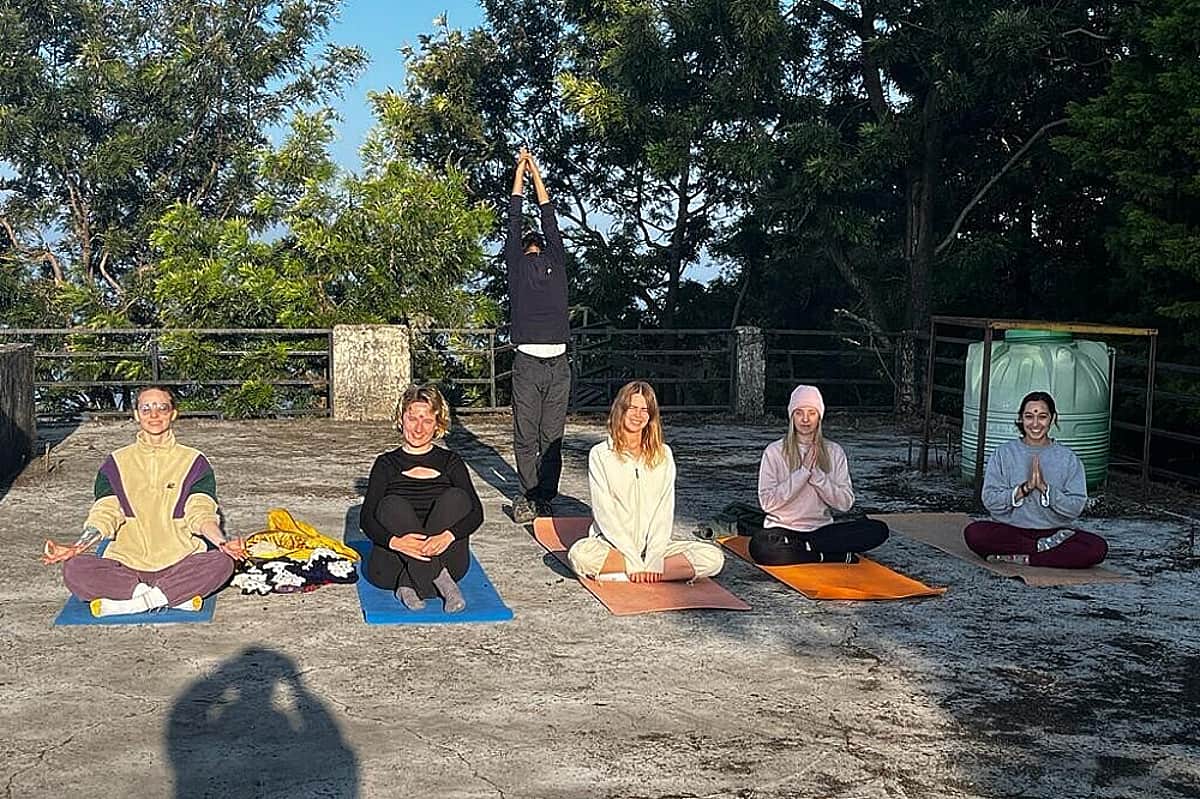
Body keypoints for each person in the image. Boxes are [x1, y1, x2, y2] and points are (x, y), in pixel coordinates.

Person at [41, 386, 245, 616]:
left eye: (162, 408)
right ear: (137, 415)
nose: (154, 415)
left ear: (173, 413)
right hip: (127, 565)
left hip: (180, 560)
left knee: (222, 562)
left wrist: (222, 543)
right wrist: (78, 547)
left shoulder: (194, 461)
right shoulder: (116, 463)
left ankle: (133, 603)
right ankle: (166, 597)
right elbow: (105, 513)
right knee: (75, 568)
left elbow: (201, 513)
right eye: (146, 408)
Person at [567, 381, 724, 582]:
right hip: (612, 546)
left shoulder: (663, 454)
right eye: (632, 408)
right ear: (621, 410)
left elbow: (664, 511)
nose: (638, 415)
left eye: (644, 410)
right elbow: (604, 513)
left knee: (713, 557)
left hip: (654, 548)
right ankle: (645, 572)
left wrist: (655, 557)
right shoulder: (600, 454)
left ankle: (633, 573)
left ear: (651, 416)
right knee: (580, 556)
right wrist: (632, 558)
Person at [360, 385, 484, 612]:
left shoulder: (451, 461)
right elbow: (366, 519)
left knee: (457, 498)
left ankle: (408, 584)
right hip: (392, 564)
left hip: (446, 557)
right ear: (401, 420)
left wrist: (447, 536)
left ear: (438, 424)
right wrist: (395, 542)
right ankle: (441, 581)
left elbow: (477, 514)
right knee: (391, 505)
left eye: (427, 421)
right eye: (412, 419)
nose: (419, 429)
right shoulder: (385, 464)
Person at [741, 384, 888, 565]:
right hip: (783, 530)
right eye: (799, 413)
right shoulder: (774, 451)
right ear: (792, 416)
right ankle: (828, 556)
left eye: (811, 413)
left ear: (819, 416)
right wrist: (802, 473)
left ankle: (804, 550)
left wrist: (818, 477)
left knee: (878, 529)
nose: (805, 419)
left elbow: (845, 503)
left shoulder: (834, 451)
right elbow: (767, 503)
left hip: (821, 531)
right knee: (760, 547)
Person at [964, 391, 1108, 567]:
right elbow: (989, 500)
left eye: (1042, 417)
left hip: (1054, 532)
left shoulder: (1068, 458)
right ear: (1020, 419)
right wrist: (1023, 489)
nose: (1035, 424)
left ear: (1052, 419)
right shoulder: (1003, 453)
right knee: (974, 533)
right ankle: (1039, 549)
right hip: (1011, 531)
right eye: (1029, 416)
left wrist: (1046, 490)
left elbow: (1075, 507)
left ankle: (1024, 557)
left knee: (1097, 548)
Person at [507, 146, 570, 523]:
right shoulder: (520, 265)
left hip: (551, 363)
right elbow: (540, 215)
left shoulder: (547, 262)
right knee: (535, 436)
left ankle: (541, 496)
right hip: (535, 362)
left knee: (545, 437)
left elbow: (527, 216)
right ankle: (534, 495)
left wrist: (525, 170)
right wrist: (529, 170)